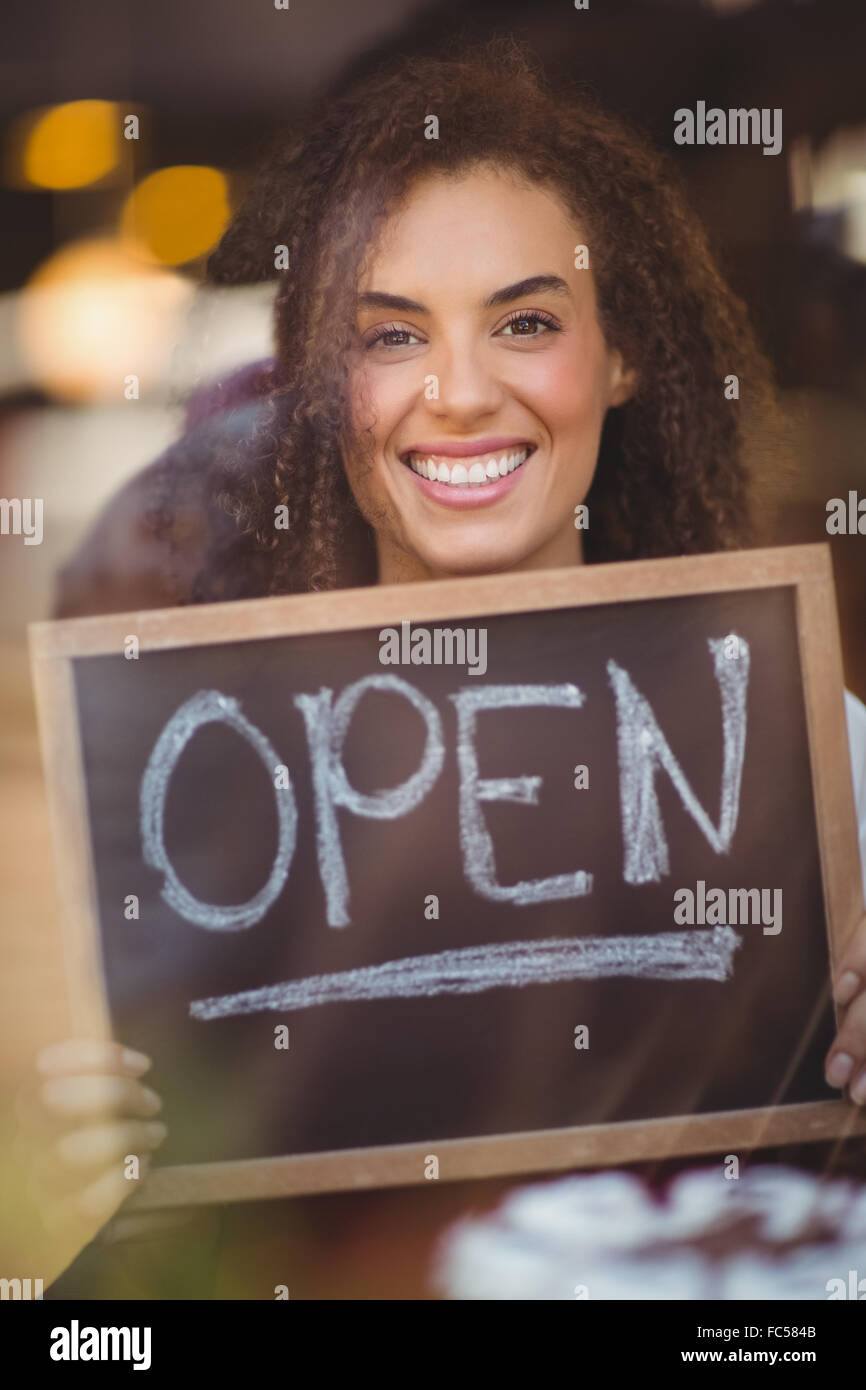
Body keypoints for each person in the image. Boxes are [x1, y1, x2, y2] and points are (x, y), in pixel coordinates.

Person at [22, 39, 866, 1297]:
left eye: (525, 321)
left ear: (622, 354)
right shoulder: (197, 792)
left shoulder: (821, 757)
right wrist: (111, 1204)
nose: (458, 392)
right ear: (320, 380)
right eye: (389, 336)